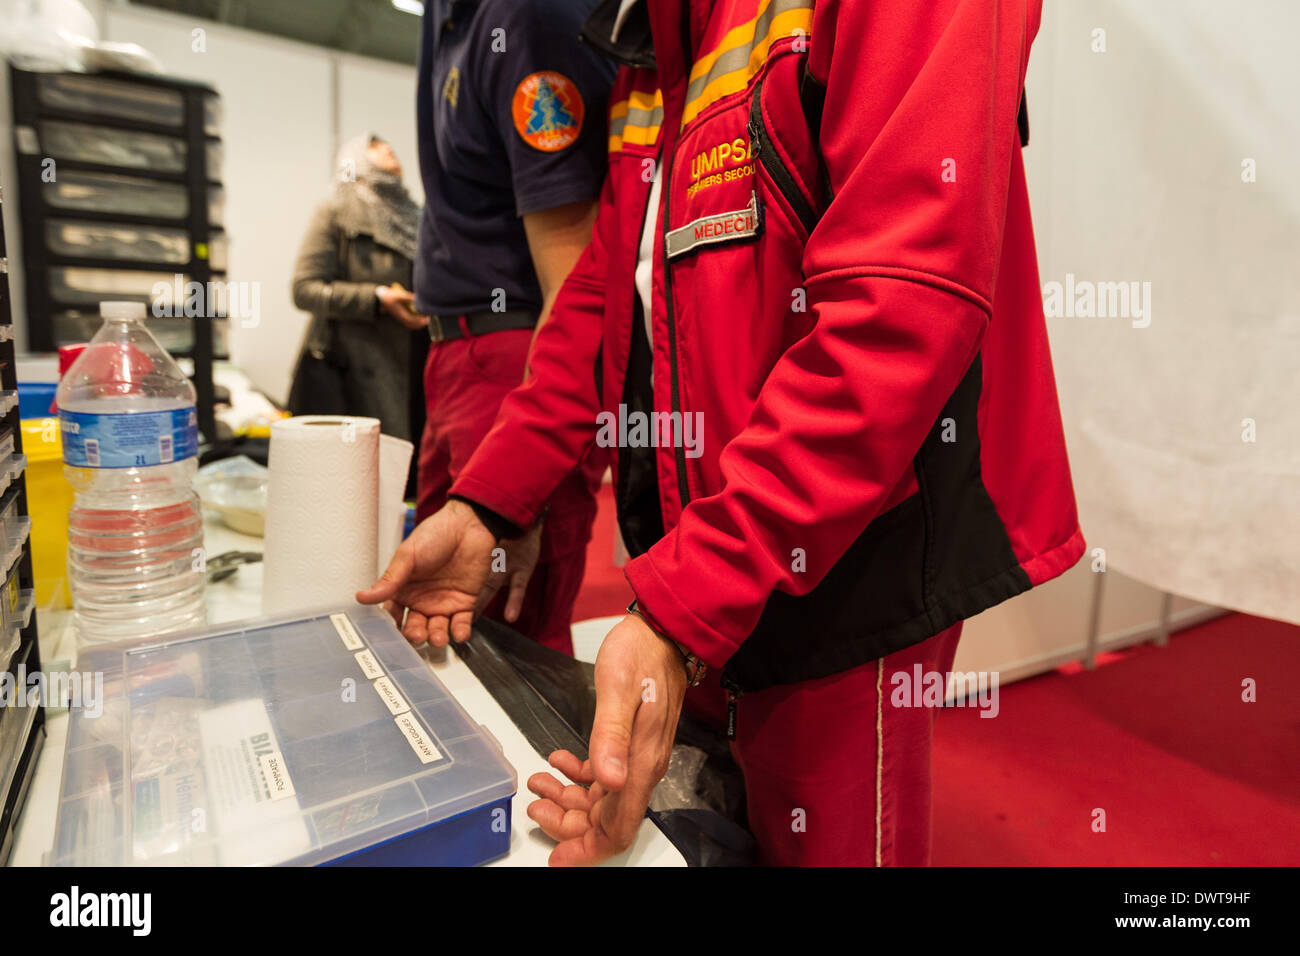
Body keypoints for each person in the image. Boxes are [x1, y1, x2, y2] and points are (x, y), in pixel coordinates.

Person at [361, 0, 1085, 866]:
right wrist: (488, 500)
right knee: (723, 829)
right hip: (721, 554)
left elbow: (898, 311)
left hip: (852, 557)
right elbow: (601, 299)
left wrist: (687, 600)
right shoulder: (653, 39)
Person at [405, 0, 615, 654]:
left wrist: (523, 489)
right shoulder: (446, 15)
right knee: (439, 632)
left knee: (503, 644)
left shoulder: (529, 15)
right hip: (455, 353)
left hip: (518, 359)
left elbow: (577, 280)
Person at [289, 133, 429, 460]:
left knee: (407, 479)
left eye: (386, 142)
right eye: (374, 144)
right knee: (354, 477)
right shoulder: (337, 209)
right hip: (353, 374)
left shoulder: (418, 217)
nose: (386, 146)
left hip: (417, 367)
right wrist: (377, 298)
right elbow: (304, 289)